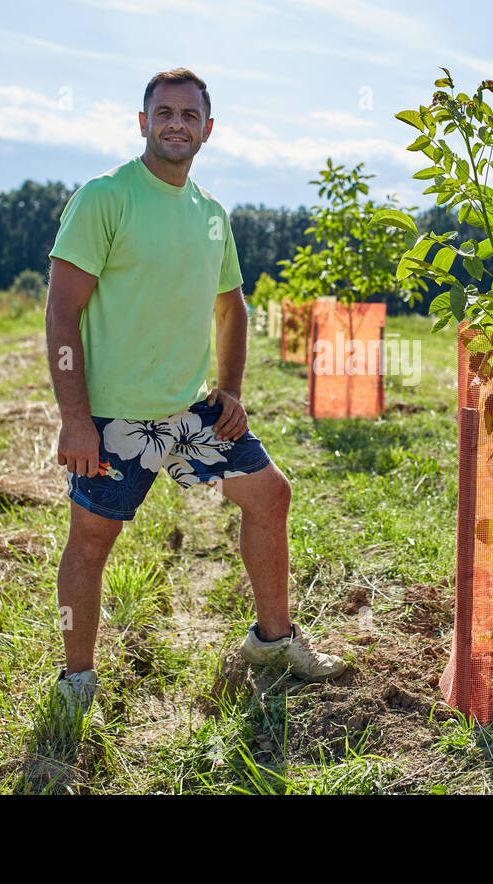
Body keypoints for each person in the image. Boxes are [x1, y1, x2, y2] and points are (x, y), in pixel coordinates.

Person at [44, 68, 346, 728]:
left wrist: (231, 390)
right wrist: (74, 418)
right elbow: (63, 311)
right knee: (91, 544)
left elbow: (232, 306)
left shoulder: (212, 215)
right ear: (143, 121)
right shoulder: (105, 198)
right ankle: (76, 681)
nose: (175, 122)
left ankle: (271, 643)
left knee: (271, 495)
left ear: (208, 130)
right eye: (163, 111)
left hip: (188, 414)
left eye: (189, 114)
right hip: (112, 417)